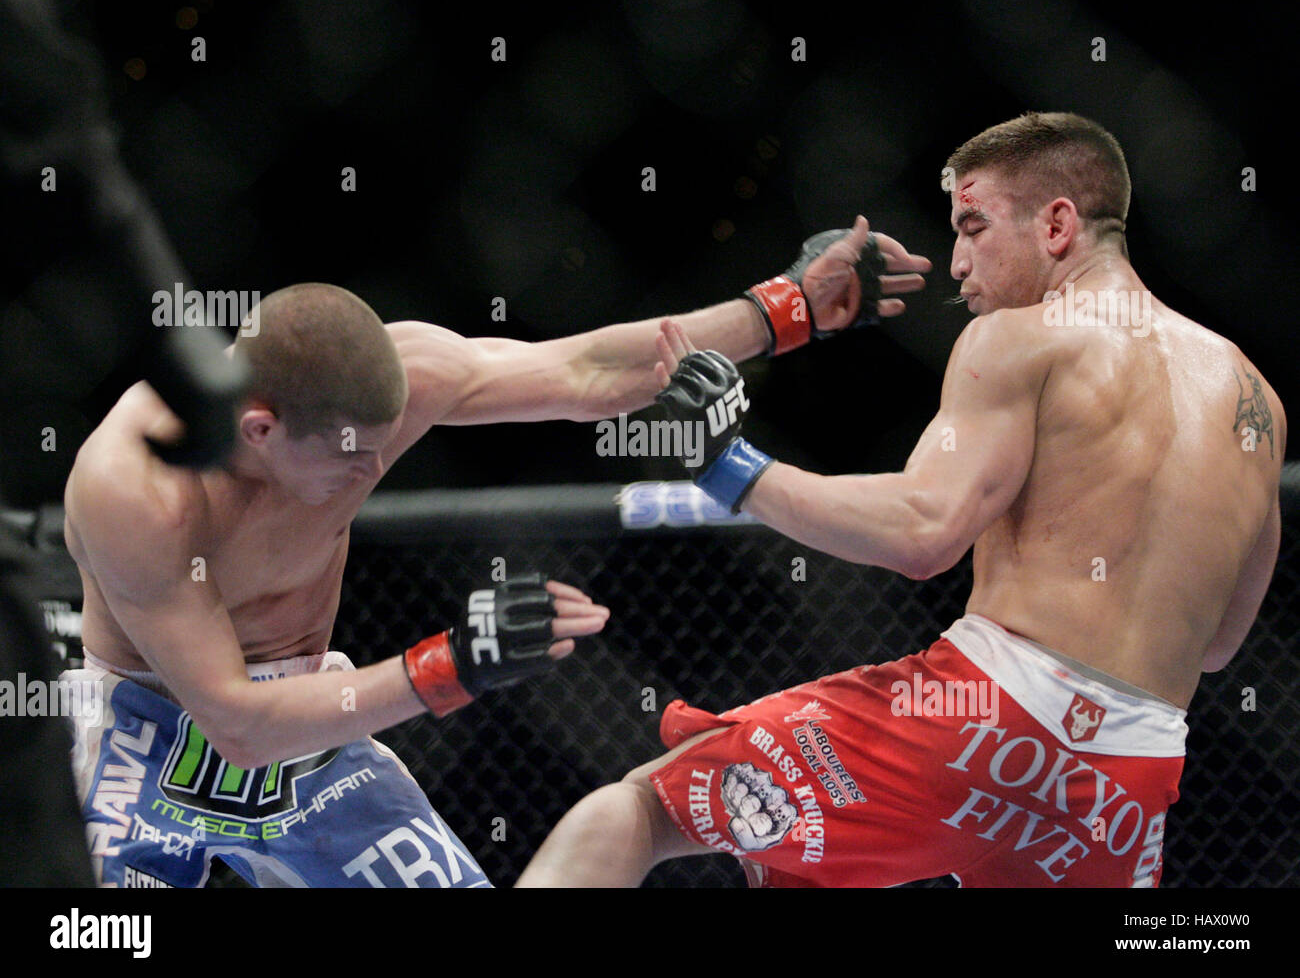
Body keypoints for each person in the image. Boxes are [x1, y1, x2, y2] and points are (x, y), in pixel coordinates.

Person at [516, 112, 1288, 888]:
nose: (956, 262)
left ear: (1057, 224)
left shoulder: (1024, 337)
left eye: (974, 226)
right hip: (1131, 774)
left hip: (983, 720)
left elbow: (923, 530)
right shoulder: (1254, 397)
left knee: (645, 807)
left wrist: (728, 463)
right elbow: (1219, 642)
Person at [61, 229, 931, 887]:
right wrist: (451, 666)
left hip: (310, 712)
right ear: (259, 427)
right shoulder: (137, 488)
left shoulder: (397, 381)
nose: (373, 472)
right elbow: (235, 727)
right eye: (351, 456)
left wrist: (783, 310)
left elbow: (588, 370)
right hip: (151, 722)